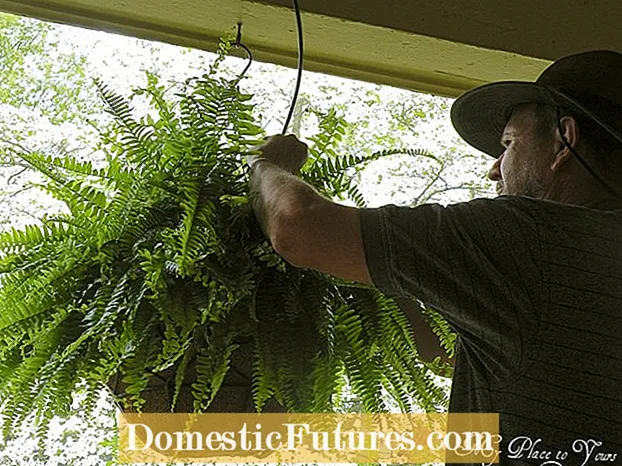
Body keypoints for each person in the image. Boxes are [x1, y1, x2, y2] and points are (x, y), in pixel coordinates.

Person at [249, 50, 622, 464]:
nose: (494, 170)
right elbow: (444, 355)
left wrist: (266, 166)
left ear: (563, 140)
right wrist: (398, 279)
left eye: (509, 144)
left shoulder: (524, 237)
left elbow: (299, 228)